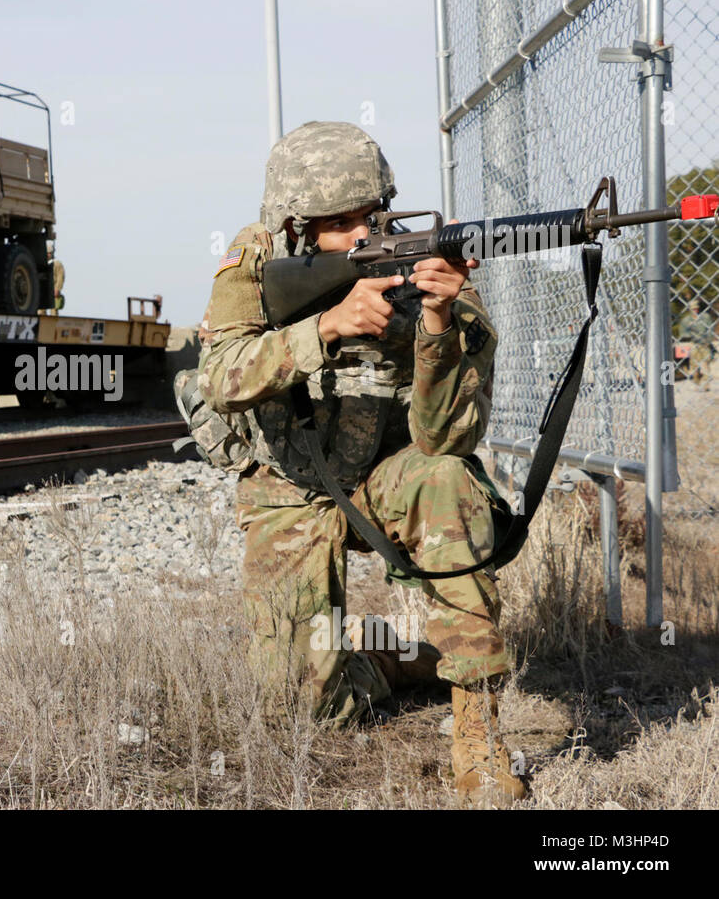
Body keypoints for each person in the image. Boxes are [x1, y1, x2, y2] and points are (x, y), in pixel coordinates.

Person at [197, 121, 525, 803]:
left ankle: (481, 748)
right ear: (294, 225)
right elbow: (220, 378)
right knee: (305, 715)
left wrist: (438, 322)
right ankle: (384, 663)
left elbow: (447, 439)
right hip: (291, 486)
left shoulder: (439, 266)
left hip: (388, 479)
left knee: (448, 482)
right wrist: (326, 327)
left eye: (367, 217)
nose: (357, 236)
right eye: (336, 223)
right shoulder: (256, 260)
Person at [677, 298, 715, 391]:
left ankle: (706, 384)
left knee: (705, 364)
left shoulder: (705, 317)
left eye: (696, 308)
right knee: (694, 365)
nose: (695, 310)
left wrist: (707, 341)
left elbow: (710, 331)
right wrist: (691, 336)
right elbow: (683, 333)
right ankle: (696, 383)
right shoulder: (686, 320)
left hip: (704, 344)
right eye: (693, 308)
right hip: (693, 344)